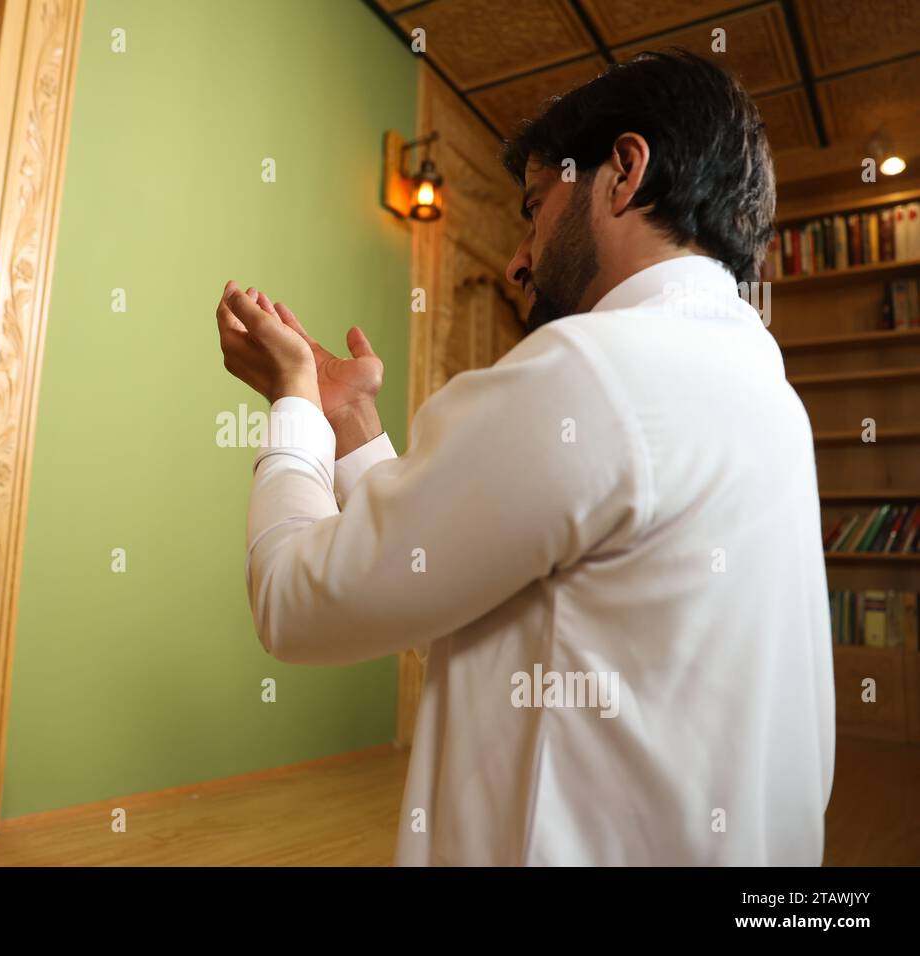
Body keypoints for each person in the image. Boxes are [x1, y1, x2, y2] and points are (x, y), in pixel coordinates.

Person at [214, 49, 834, 866]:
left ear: (622, 171)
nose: (518, 258)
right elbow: (471, 595)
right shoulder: (762, 391)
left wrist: (292, 400)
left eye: (535, 208)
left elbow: (295, 604)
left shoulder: (595, 369)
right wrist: (349, 424)